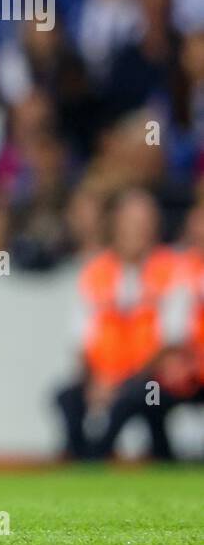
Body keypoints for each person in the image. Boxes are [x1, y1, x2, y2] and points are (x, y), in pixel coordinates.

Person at [55, 189, 190, 460]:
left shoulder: (172, 269)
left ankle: (98, 455)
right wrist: (94, 379)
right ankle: (76, 454)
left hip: (156, 378)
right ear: (115, 225)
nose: (138, 231)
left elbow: (172, 338)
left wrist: (124, 380)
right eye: (131, 223)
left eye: (144, 224)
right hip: (105, 375)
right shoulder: (96, 272)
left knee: (135, 395)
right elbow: (82, 337)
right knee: (67, 397)